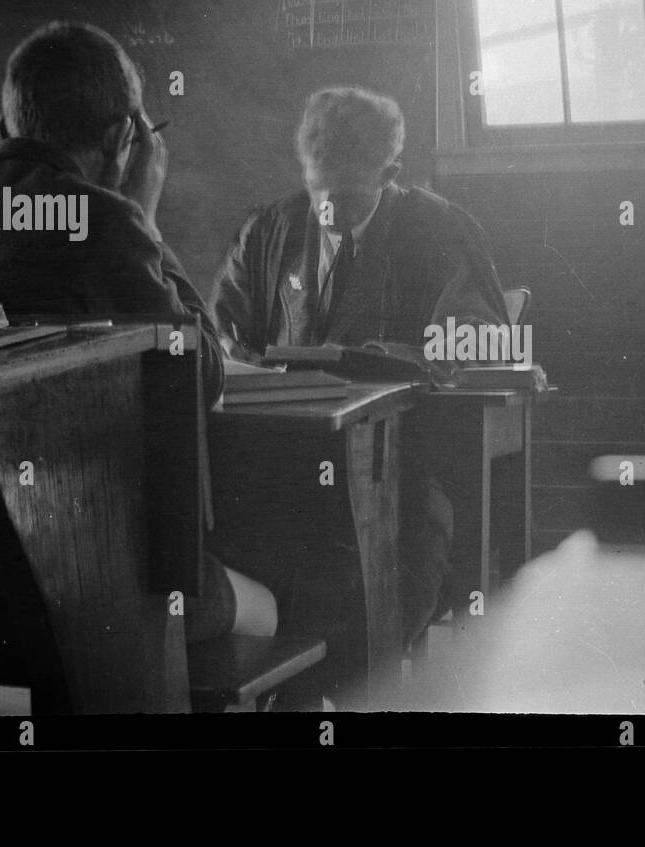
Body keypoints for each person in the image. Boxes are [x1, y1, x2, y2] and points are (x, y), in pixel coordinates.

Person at [0, 20, 275, 643]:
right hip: (92, 590)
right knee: (279, 604)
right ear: (124, 136)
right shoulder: (109, 220)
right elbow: (201, 379)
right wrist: (143, 215)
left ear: (3, 128)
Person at [209, 85, 509, 646]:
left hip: (401, 476)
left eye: (344, 198)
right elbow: (221, 335)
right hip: (284, 470)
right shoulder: (270, 231)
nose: (326, 213)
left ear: (389, 172)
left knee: (372, 607)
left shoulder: (441, 230)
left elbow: (479, 339)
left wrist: (385, 361)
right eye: (316, 191)